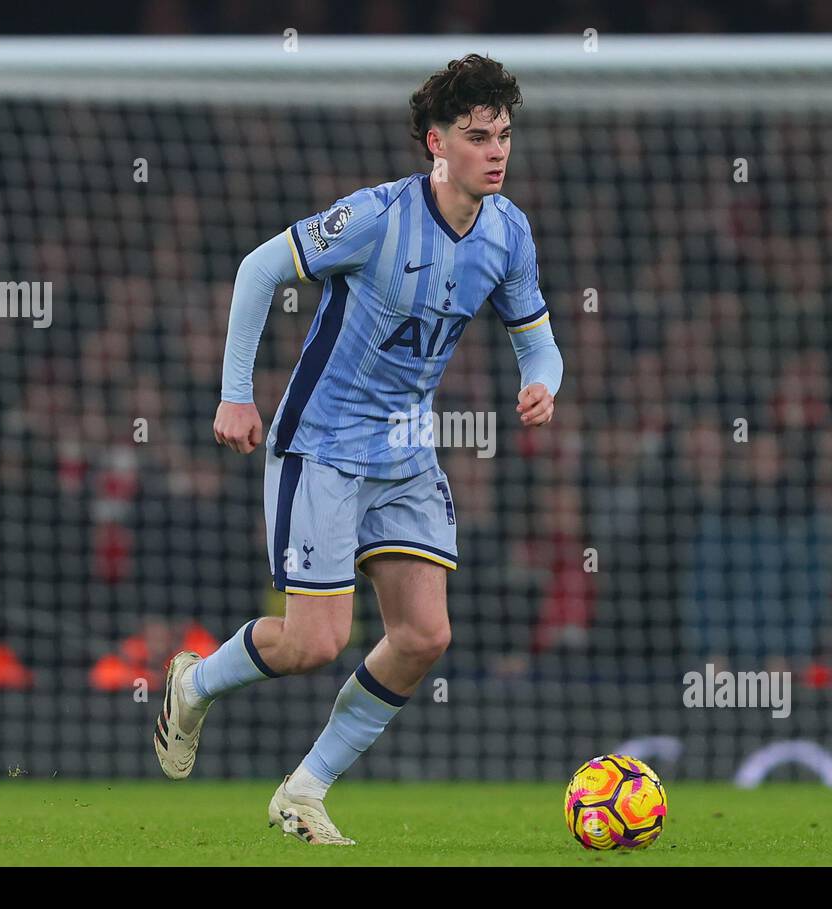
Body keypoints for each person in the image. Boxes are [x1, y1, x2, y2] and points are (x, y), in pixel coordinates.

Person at [152, 54, 563, 845]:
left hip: (406, 454)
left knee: (425, 635)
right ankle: (193, 683)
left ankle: (303, 792)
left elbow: (538, 341)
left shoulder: (509, 232)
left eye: (505, 135)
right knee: (314, 642)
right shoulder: (377, 217)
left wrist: (545, 382)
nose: (497, 151)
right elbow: (259, 267)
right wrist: (236, 392)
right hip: (324, 445)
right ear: (437, 145)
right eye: (479, 137)